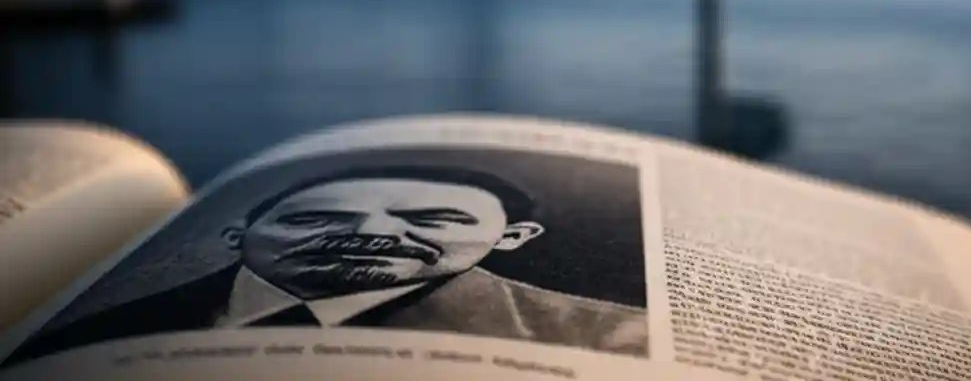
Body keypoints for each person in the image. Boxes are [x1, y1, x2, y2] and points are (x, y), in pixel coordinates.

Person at [11, 167, 647, 362]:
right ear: (238, 232)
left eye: (433, 221)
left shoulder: (614, 339)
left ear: (514, 237)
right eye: (317, 220)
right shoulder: (91, 329)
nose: (372, 233)